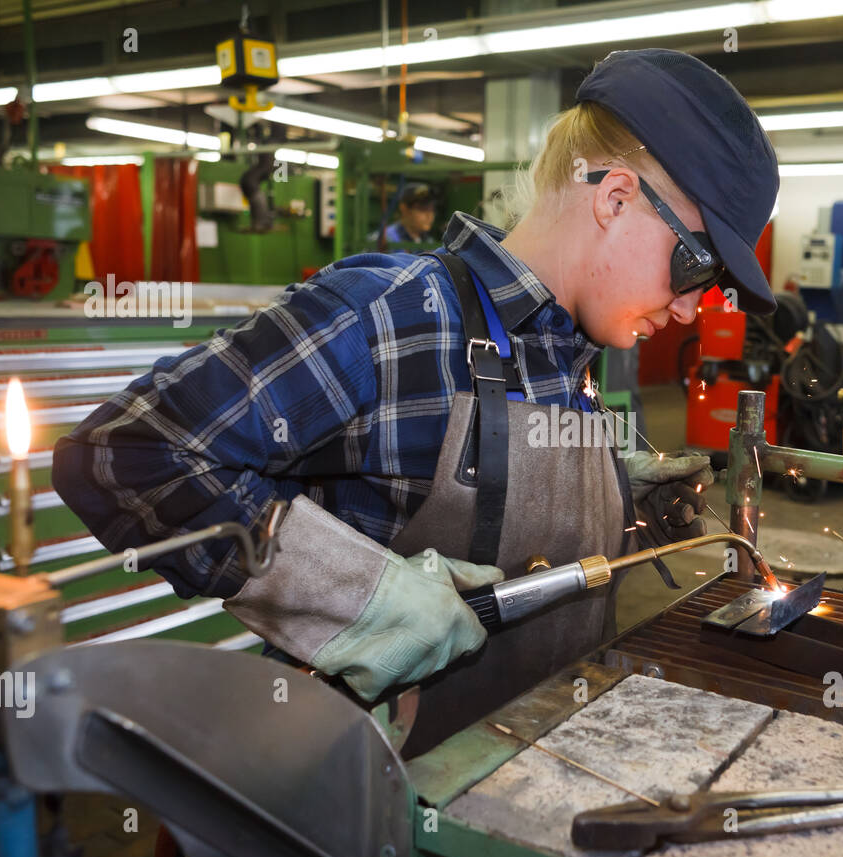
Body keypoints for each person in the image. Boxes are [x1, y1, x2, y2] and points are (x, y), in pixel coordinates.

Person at [52, 48, 780, 756]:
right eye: (696, 267)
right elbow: (125, 453)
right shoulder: (395, 316)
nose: (691, 309)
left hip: (538, 772)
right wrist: (354, 595)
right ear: (616, 198)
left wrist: (622, 505)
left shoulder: (573, 354)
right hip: (377, 798)